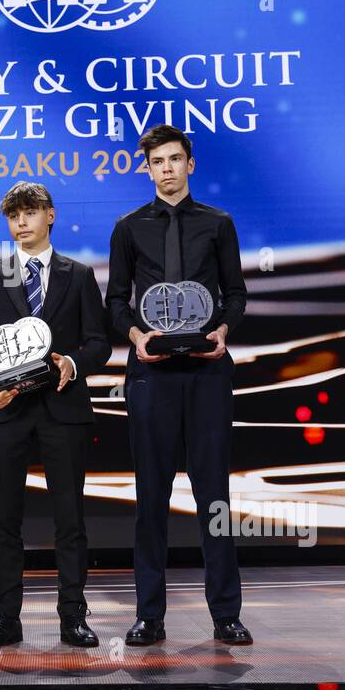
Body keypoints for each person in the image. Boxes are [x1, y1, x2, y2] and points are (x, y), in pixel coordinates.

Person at [105, 124, 254, 646]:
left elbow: (235, 293)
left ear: (191, 163)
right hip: (152, 374)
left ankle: (225, 615)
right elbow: (116, 301)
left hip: (209, 372)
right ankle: (150, 615)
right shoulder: (128, 228)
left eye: (174, 159)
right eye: (157, 162)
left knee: (214, 496)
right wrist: (135, 335)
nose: (166, 168)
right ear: (146, 169)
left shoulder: (218, 224)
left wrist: (223, 329)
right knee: (151, 497)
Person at [0, 182, 110, 647]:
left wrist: (73, 363)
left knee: (70, 519)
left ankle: (74, 617)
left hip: (63, 411)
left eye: (30, 213)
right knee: (5, 520)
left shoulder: (79, 274)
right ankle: (6, 618)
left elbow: (100, 343)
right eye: (14, 216)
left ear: (51, 216)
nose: (21, 223)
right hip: (7, 414)